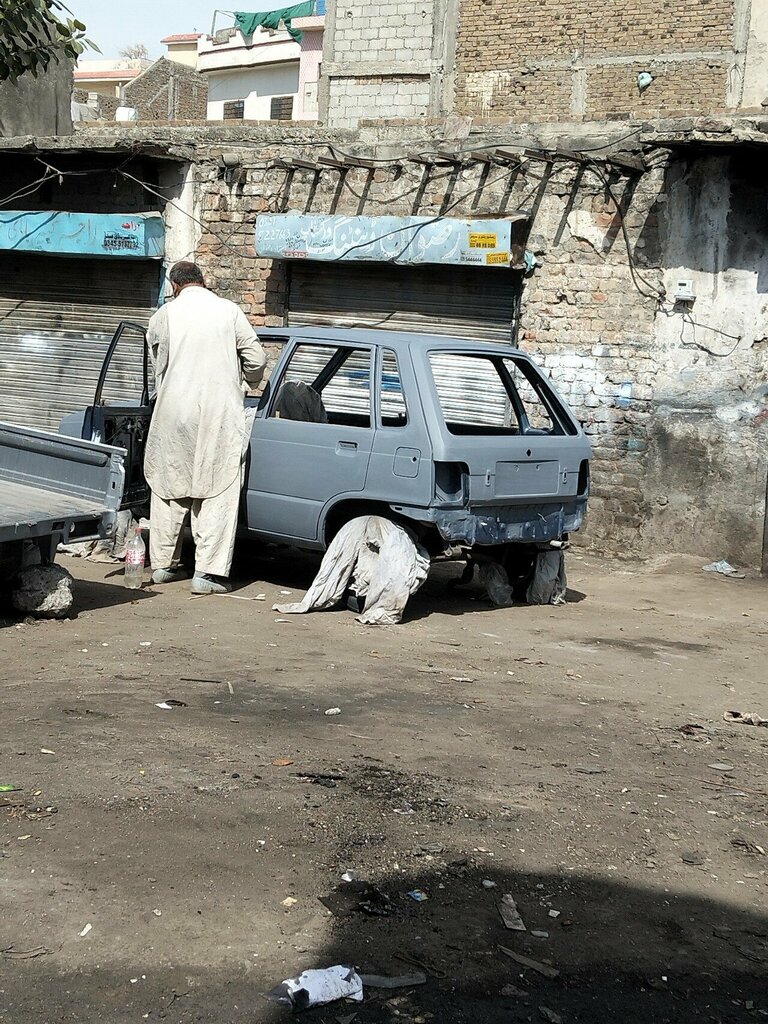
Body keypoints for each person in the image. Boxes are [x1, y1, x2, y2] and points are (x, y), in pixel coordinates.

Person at [143, 261, 267, 594]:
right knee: (217, 487)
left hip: (172, 414)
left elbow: (159, 365)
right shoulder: (228, 311)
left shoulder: (162, 317)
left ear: (174, 286)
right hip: (218, 413)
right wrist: (246, 380)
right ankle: (207, 575)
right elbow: (257, 359)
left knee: (169, 486)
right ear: (204, 280)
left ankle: (163, 567)